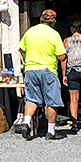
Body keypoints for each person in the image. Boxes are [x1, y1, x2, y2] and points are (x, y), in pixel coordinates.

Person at [17, 9, 68, 140]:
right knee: (52, 101)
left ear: (41, 19)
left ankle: (26, 122)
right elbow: (62, 56)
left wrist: (27, 61)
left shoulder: (30, 32)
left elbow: (21, 49)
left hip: (30, 69)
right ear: (53, 21)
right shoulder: (54, 34)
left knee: (32, 99)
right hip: (48, 70)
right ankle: (51, 131)